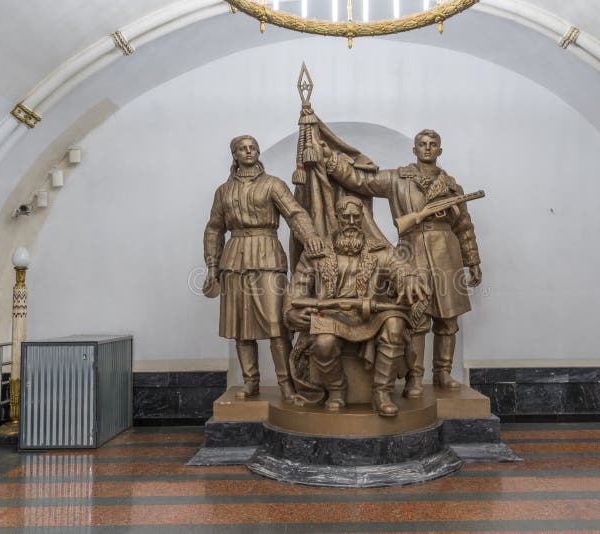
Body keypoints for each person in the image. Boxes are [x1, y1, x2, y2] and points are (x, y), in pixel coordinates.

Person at [321, 129, 481, 397]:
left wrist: (472, 260)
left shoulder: (453, 188)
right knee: (416, 318)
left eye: (433, 144)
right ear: (414, 149)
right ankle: (414, 378)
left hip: (447, 254)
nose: (427, 148)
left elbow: (464, 227)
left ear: (440, 150)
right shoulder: (397, 178)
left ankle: (443, 373)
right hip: (411, 251)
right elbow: (361, 181)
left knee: (448, 320)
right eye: (422, 144)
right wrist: (332, 160)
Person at [203, 135, 323, 400]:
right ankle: (250, 382)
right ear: (235, 155)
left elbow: (295, 214)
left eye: (253, 148)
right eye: (242, 149)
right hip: (233, 261)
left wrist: (311, 237)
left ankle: (287, 385)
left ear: (258, 152)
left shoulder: (273, 184)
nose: (249, 152)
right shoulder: (223, 191)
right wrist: (212, 265)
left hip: (267, 256)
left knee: (276, 325)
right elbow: (214, 229)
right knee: (240, 328)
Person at [284, 197, 427, 416]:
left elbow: (400, 267)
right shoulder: (317, 252)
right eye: (346, 217)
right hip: (330, 314)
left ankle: (382, 393)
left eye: (356, 217)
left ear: (362, 218)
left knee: (395, 325)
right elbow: (297, 288)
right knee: (324, 343)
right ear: (336, 218)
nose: (351, 222)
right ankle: (337, 389)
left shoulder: (380, 249)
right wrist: (291, 313)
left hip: (370, 315)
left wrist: (408, 277)